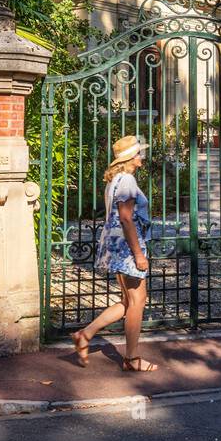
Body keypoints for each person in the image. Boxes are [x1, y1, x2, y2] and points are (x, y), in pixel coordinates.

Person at [71, 134, 157, 372]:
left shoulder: (115, 180)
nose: (142, 156)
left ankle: (85, 334)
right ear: (131, 157)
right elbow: (127, 218)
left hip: (117, 245)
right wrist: (139, 254)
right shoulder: (127, 181)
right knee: (137, 301)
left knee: (129, 301)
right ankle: (131, 358)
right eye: (139, 153)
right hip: (128, 247)